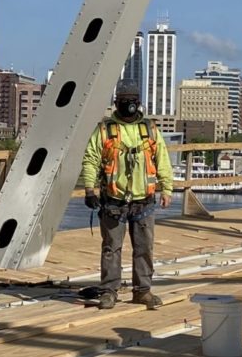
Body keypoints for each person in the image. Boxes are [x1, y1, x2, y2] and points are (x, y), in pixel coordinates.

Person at [80, 78, 174, 310]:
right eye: (124, 101)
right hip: (114, 200)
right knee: (111, 248)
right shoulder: (104, 130)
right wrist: (90, 189)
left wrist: (167, 187)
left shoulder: (150, 129)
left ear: (138, 103)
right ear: (116, 103)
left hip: (144, 201)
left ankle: (142, 291)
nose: (128, 105)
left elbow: (162, 159)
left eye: (131, 101)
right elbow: (91, 159)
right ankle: (109, 291)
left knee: (144, 248)